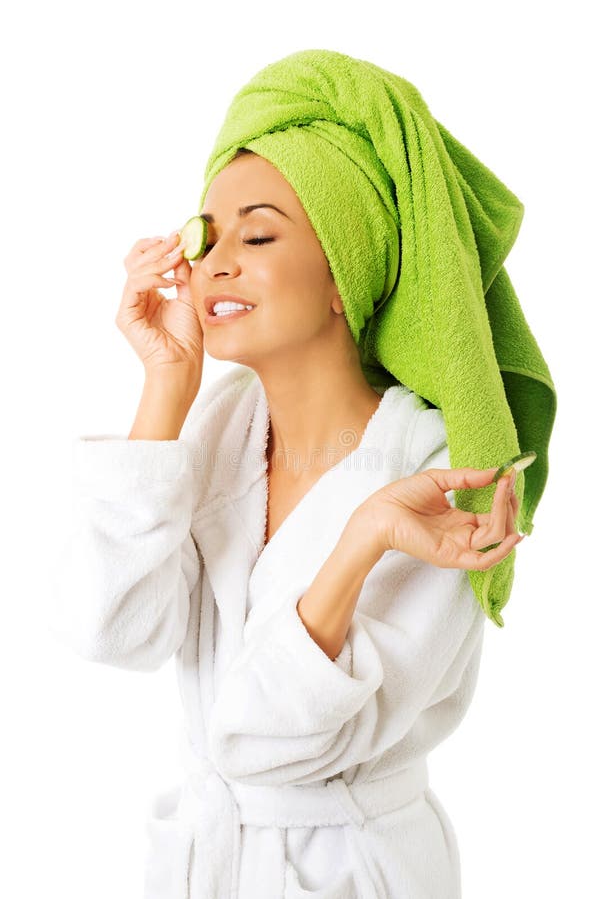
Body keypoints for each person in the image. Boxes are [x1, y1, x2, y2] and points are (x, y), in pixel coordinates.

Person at [51, 146, 523, 899]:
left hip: (353, 871)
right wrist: (167, 389)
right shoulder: (222, 425)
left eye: (258, 236)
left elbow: (268, 745)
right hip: (206, 863)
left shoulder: (436, 467)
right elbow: (112, 630)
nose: (216, 265)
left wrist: (362, 536)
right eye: (206, 238)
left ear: (344, 275)